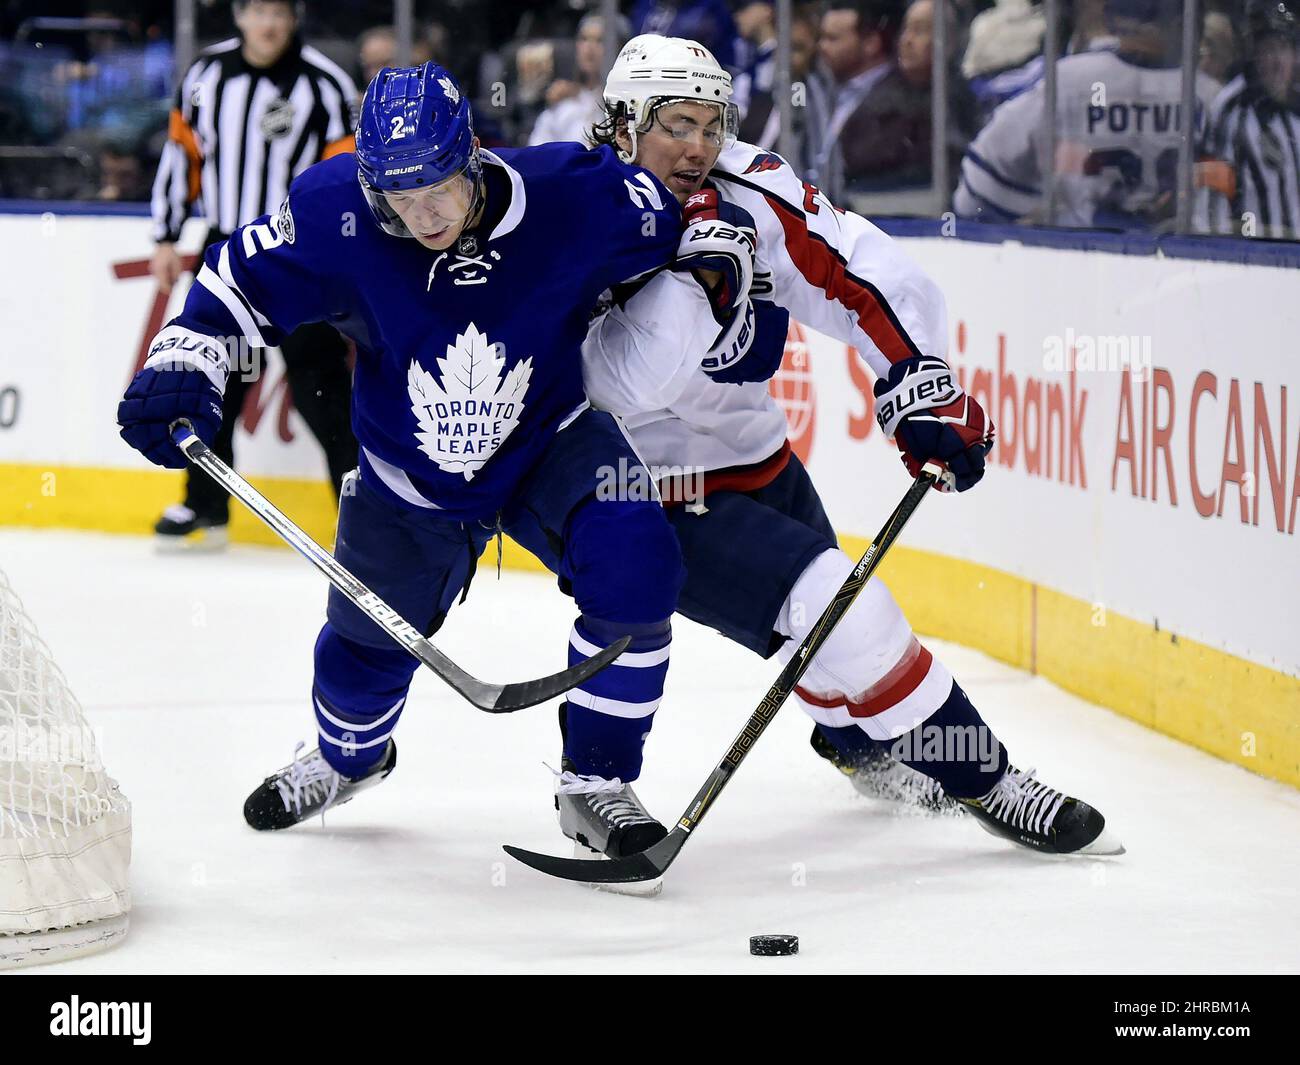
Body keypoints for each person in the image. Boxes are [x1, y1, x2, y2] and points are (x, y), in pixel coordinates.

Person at [118, 61, 758, 875]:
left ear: (475, 160)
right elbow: (232, 280)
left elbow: (681, 222)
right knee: (358, 660)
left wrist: (722, 264)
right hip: (405, 475)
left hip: (548, 442)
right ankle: (351, 758)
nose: (420, 215)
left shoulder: (572, 193)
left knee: (637, 560)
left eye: (438, 191)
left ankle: (596, 780)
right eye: (398, 197)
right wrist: (186, 358)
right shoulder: (334, 213)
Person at [579, 34, 1121, 856]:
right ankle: (989, 779)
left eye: (710, 123)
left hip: (760, 458)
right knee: (847, 611)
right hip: (652, 490)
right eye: (673, 124)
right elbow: (602, 373)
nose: (697, 145)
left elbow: (852, 273)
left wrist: (917, 381)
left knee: (825, 640)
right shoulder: (569, 206)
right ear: (622, 123)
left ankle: (857, 744)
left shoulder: (749, 191)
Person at [149, 0, 359, 549]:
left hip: (297, 257)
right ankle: (204, 506)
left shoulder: (325, 84)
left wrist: (339, 249)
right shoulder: (205, 76)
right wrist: (167, 235)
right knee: (210, 378)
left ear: (294, 18)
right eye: (257, 10)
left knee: (323, 390)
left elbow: (344, 174)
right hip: (223, 252)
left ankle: (361, 512)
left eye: (279, 11)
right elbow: (183, 154)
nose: (268, 23)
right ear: (239, 16)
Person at [953, 0, 1220, 229]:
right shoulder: (1210, 94)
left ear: (1114, 17)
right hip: (1182, 264)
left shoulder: (1070, 80)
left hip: (1080, 261)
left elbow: (976, 189)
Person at [1199, 0, 1300, 239]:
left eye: (1284, 49)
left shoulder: (1294, 109)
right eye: (1268, 49)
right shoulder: (1229, 112)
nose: (1276, 62)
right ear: (1253, 54)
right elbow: (1210, 219)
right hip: (1257, 265)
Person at [527, 12, 627, 146]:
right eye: (584, 39)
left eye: (600, 40)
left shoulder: (624, 102)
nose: (589, 48)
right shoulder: (563, 100)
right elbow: (538, 148)